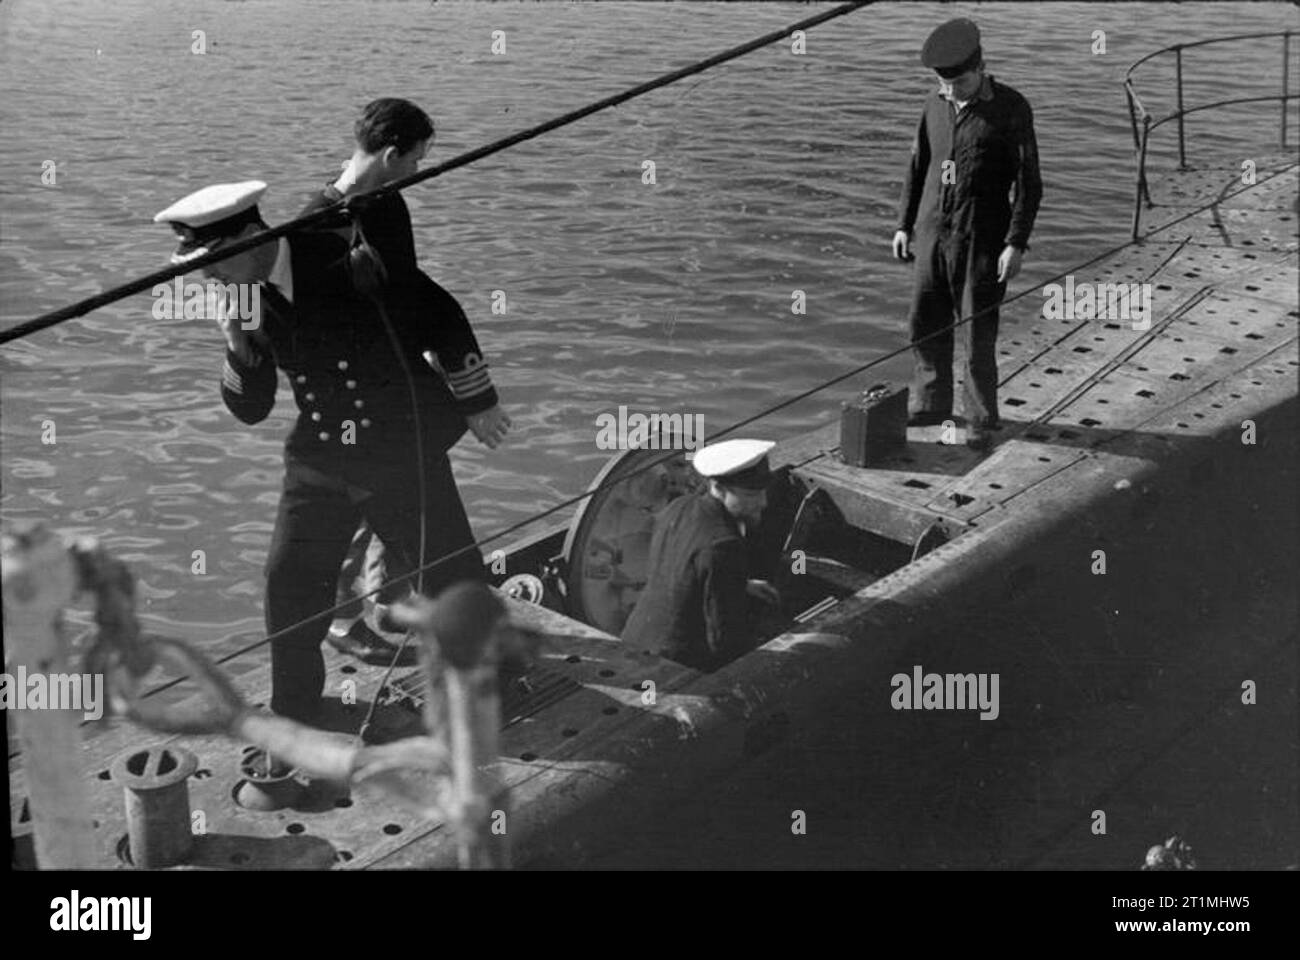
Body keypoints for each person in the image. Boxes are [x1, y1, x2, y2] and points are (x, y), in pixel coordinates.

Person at [154, 180, 488, 723]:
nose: (207, 276)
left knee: (451, 575)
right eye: (199, 265)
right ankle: (296, 710)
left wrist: (479, 402)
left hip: (399, 447)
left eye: (213, 260)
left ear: (253, 235)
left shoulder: (346, 260)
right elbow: (252, 410)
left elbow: (441, 313)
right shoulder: (243, 297)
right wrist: (238, 347)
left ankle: (483, 689)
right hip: (322, 457)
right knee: (288, 586)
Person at [295, 98, 509, 660]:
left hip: (401, 403)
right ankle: (349, 620)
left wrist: (471, 394)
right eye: (415, 160)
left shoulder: (387, 209)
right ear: (392, 154)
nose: (416, 172)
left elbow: (414, 297)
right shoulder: (308, 234)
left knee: (393, 519)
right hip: (358, 417)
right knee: (379, 518)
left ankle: (389, 605)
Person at [891, 17, 1042, 451]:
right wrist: (903, 225)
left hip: (984, 238)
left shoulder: (1011, 108)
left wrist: (1016, 242)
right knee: (924, 322)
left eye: (958, 82)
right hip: (932, 233)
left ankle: (979, 417)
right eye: (943, 83)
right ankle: (931, 403)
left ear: (980, 67)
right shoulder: (934, 103)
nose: (950, 91)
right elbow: (918, 167)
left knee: (978, 333)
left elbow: (1030, 184)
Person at [620, 439, 782, 671]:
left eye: (762, 492)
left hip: (635, 639)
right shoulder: (723, 544)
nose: (763, 503)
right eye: (750, 494)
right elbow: (723, 638)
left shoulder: (679, 507)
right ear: (719, 487)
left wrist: (738, 584)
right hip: (673, 665)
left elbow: (682, 569)